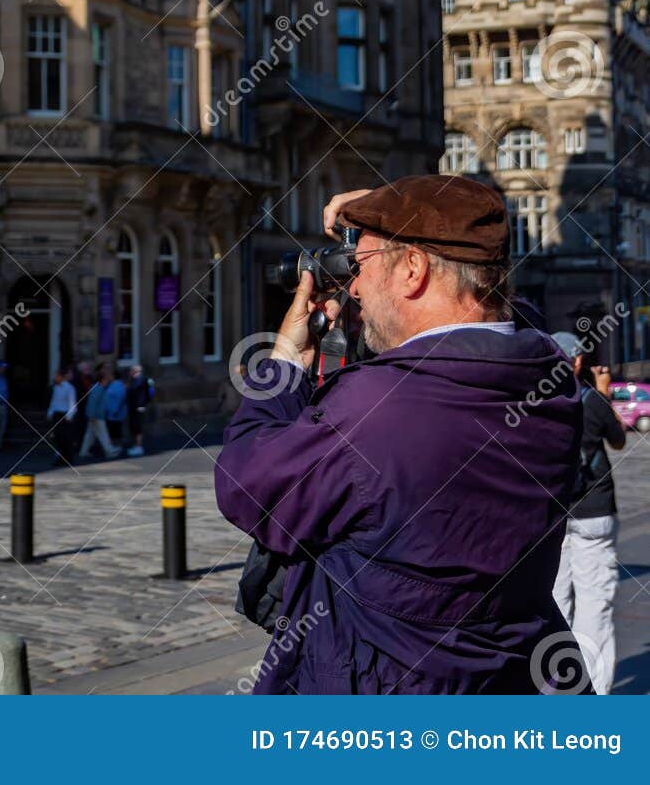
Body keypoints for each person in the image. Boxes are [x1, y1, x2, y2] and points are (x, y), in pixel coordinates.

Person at [215, 175, 583, 694]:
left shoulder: (378, 409)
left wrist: (284, 367)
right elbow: (499, 310)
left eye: (359, 267)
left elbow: (247, 484)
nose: (355, 288)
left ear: (413, 268)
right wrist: (393, 208)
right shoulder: (548, 375)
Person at [551, 331, 625, 694]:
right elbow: (619, 439)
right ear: (578, 360)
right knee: (594, 604)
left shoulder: (538, 401)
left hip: (552, 514)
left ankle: (557, 686)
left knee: (554, 601)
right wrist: (604, 391)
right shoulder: (592, 400)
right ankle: (592, 692)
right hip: (594, 511)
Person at [80, 366, 119, 459]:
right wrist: (91, 415)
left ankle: (83, 451)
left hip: (95, 415)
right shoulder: (98, 389)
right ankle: (109, 451)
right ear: (102, 380)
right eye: (106, 380)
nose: (107, 381)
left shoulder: (97, 388)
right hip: (96, 416)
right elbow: (93, 403)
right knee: (103, 434)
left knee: (89, 435)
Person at [46, 367, 77, 465]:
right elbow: (53, 401)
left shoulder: (69, 387)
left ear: (61, 376)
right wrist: (50, 413)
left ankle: (68, 458)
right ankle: (60, 457)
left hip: (65, 415)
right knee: (58, 437)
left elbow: (72, 402)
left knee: (66, 438)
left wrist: (69, 416)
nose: (55, 377)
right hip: (56, 414)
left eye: (57, 376)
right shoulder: (55, 387)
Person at [126, 363, 151, 456]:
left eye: (131, 371)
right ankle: (137, 446)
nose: (129, 373)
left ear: (134, 371)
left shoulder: (138, 380)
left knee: (137, 427)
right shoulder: (143, 380)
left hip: (137, 407)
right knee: (136, 426)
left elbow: (132, 391)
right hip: (139, 406)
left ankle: (138, 447)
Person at [103, 367, 127, 450]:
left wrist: (116, 410)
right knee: (113, 430)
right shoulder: (114, 385)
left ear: (114, 376)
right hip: (111, 412)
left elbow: (120, 398)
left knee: (115, 431)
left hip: (114, 413)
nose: (109, 377)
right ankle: (115, 445)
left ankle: (117, 446)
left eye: (111, 375)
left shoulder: (118, 385)